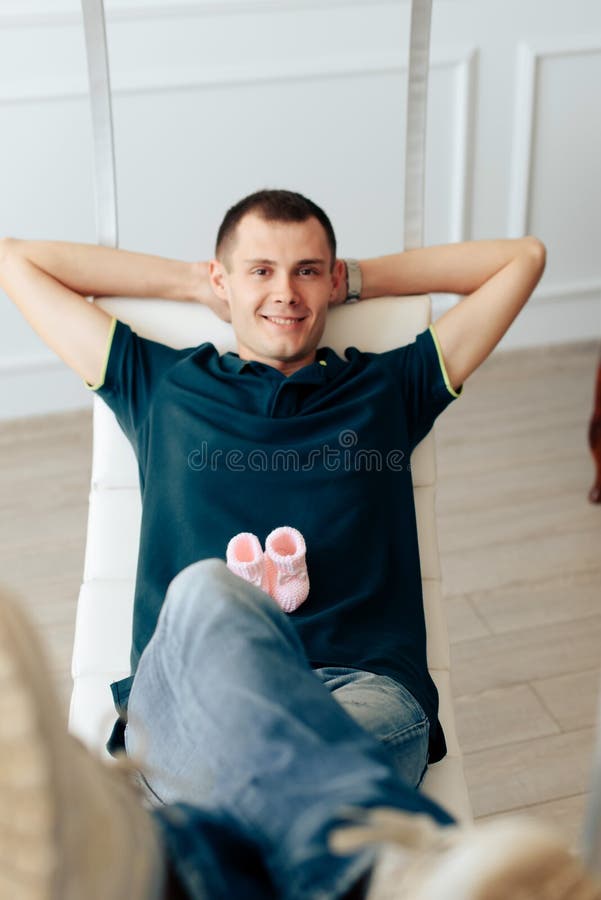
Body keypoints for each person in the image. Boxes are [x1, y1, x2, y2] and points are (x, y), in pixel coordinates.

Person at [0, 190, 598, 899]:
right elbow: (18, 260)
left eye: (307, 271)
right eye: (259, 271)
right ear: (224, 281)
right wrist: (196, 282)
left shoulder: (386, 387)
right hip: (194, 696)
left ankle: (210, 865)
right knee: (207, 590)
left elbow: (519, 259)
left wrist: (357, 277)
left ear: (332, 281)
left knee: (251, 798)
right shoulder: (160, 383)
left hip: (362, 693)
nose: (285, 292)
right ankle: (393, 865)